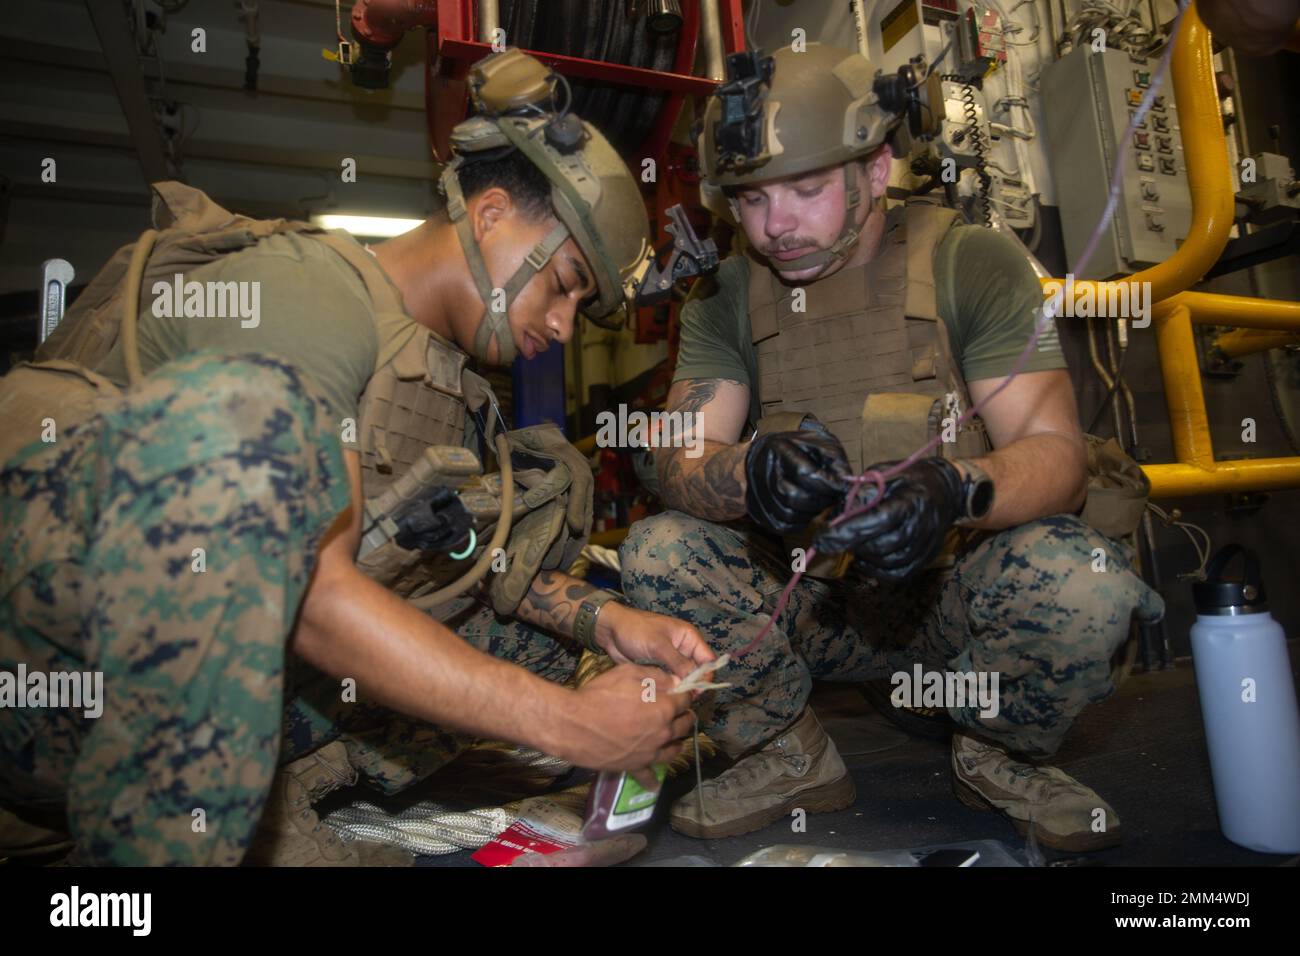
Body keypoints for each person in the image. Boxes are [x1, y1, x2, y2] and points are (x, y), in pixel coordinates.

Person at [0, 49, 712, 866]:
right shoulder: (312, 292)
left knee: (525, 620)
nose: (562, 325)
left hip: (199, 693)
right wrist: (570, 724)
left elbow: (475, 562)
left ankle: (294, 790)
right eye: (567, 284)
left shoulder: (454, 392)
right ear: (489, 216)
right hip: (61, 693)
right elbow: (310, 588)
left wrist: (610, 621)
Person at [619, 42, 1163, 851]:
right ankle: (788, 751)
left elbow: (1053, 453)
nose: (778, 228)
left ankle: (996, 749)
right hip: (809, 603)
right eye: (753, 202)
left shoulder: (968, 260)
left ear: (875, 171)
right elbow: (678, 457)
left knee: (1081, 581)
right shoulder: (729, 295)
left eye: (805, 191)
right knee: (658, 551)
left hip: (952, 601)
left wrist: (954, 491)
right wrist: (746, 477)